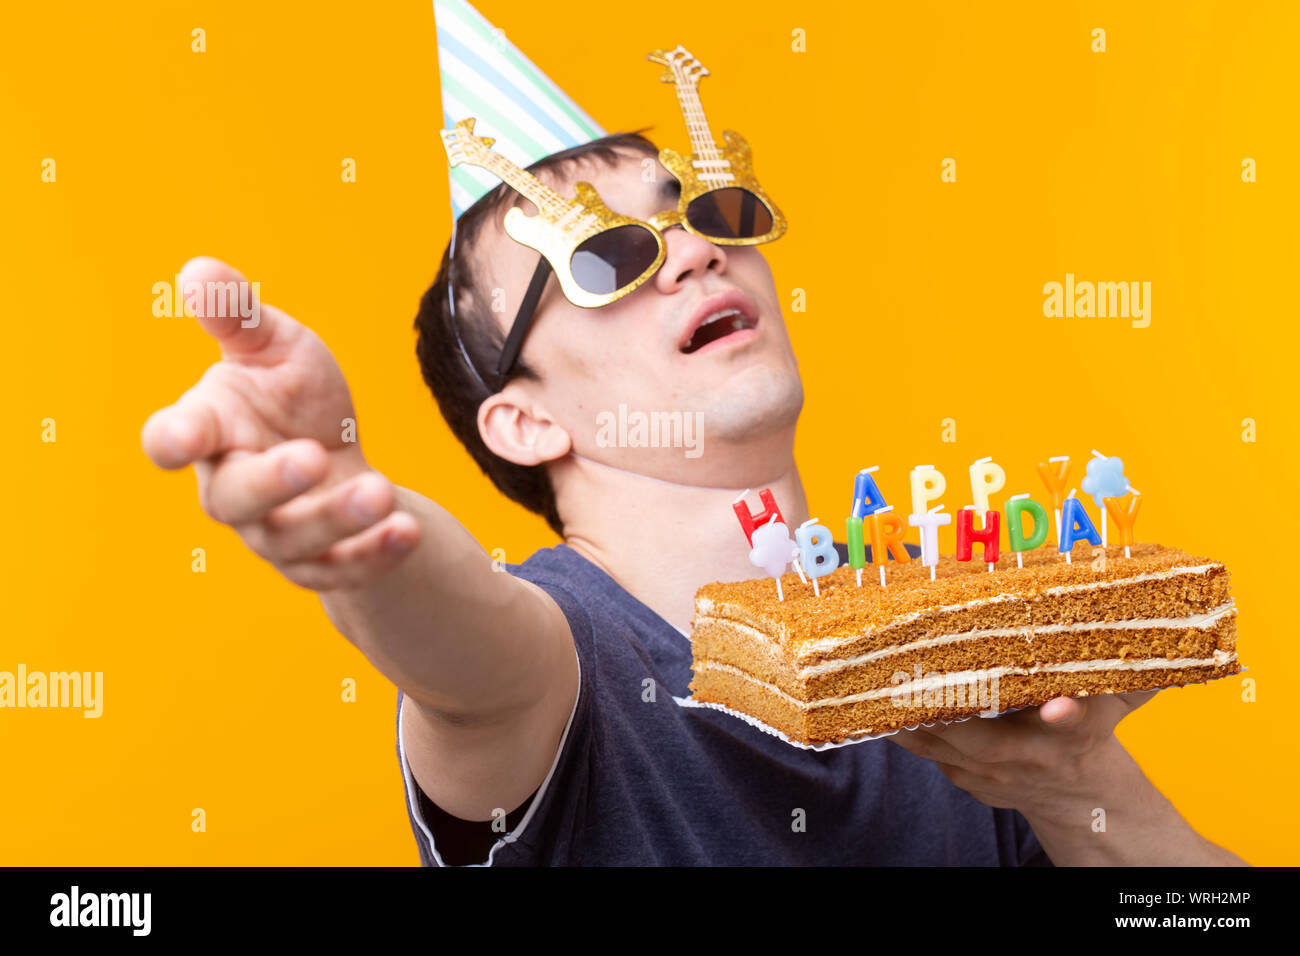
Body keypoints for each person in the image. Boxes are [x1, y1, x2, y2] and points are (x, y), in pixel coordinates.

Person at [139, 127, 1246, 865]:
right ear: (526, 420)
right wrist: (356, 524)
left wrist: (1070, 781)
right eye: (602, 256)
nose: (689, 257)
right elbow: (466, 655)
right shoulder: (560, 659)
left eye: (702, 213)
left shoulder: (948, 663)